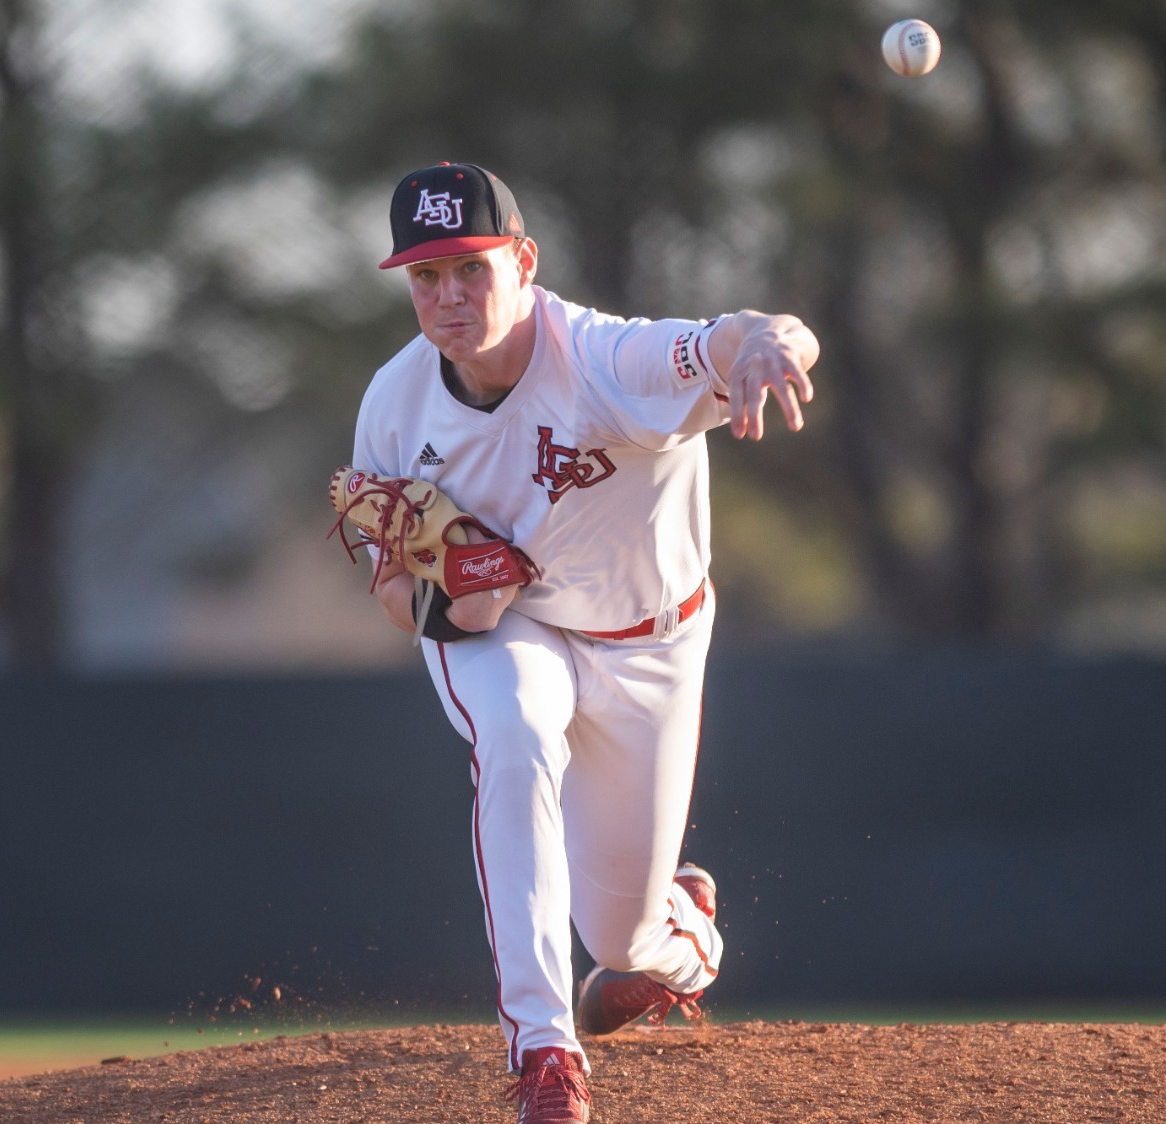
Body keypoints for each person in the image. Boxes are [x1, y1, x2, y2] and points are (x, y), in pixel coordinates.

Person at [348, 162, 818, 1124]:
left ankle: (681, 940)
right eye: (425, 277)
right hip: (513, 634)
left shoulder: (606, 360)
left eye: (469, 269)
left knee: (624, 933)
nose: (447, 297)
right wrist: (450, 612)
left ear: (522, 261)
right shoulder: (394, 405)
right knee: (514, 735)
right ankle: (546, 1051)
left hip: (655, 645)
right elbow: (392, 587)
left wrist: (772, 341)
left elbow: (734, 338)